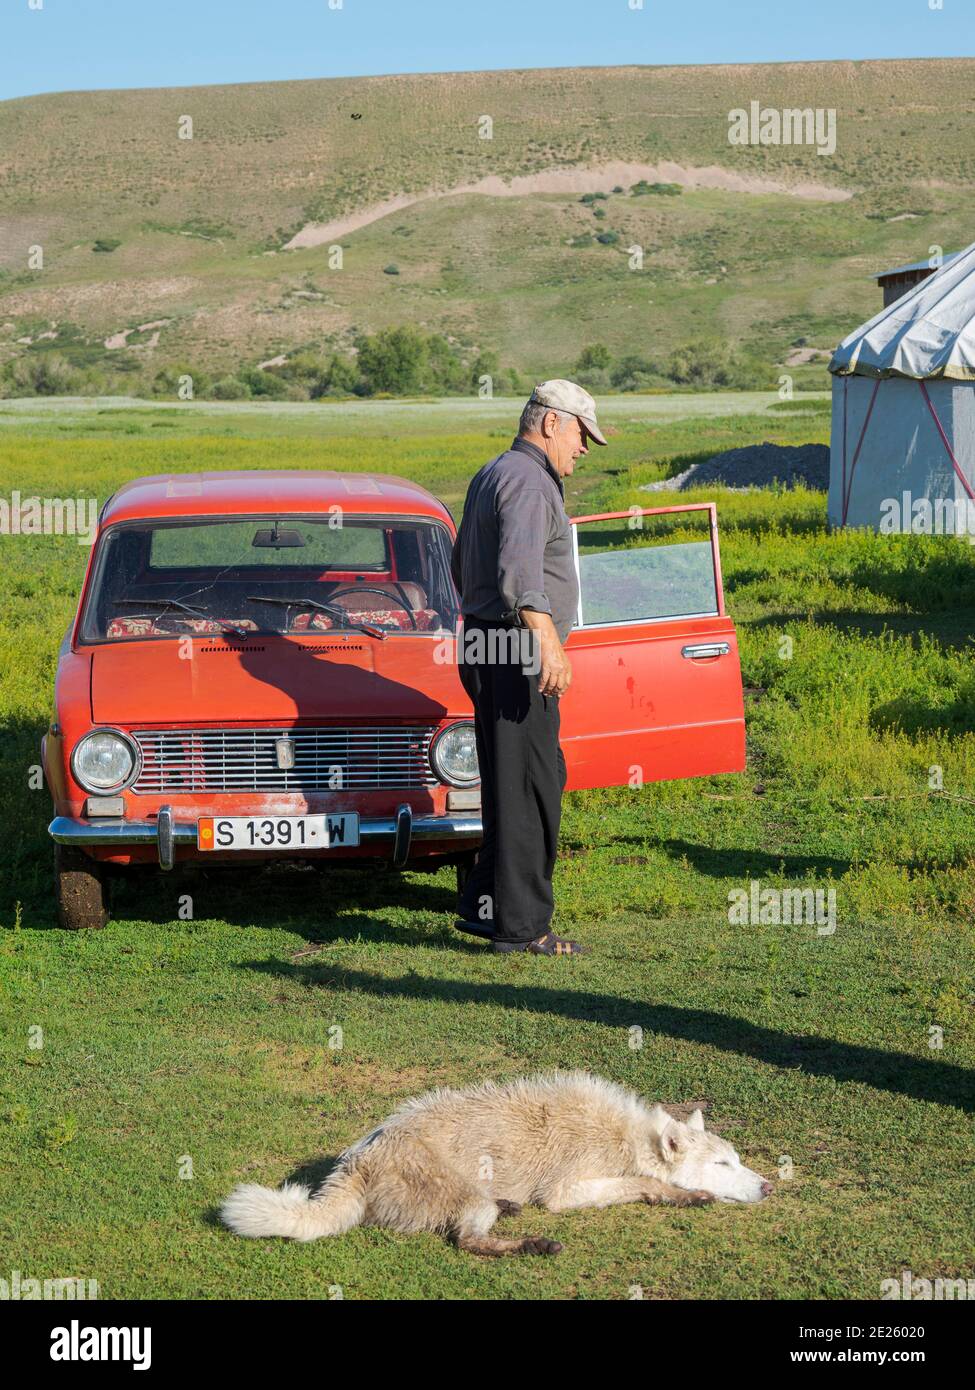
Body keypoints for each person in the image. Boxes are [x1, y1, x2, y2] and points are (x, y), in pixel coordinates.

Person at [450, 379, 607, 955]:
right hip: (516, 646)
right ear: (550, 424)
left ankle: (486, 906)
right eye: (581, 434)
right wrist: (548, 644)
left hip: (488, 643)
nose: (584, 448)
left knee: (514, 782)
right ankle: (522, 929)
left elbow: (462, 564)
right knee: (530, 788)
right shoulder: (529, 483)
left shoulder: (494, 472)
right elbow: (520, 575)